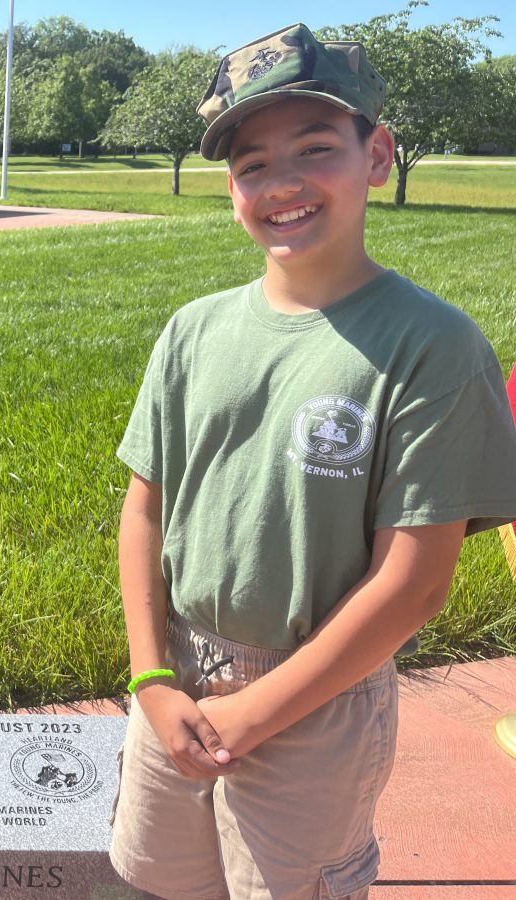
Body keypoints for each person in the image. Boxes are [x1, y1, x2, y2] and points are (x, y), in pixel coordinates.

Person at [107, 22, 516, 900]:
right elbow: (146, 510)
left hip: (318, 703)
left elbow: (413, 585)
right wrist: (149, 676)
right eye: (253, 163)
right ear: (231, 186)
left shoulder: (431, 348)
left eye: (317, 148)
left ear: (377, 156)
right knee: (156, 883)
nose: (283, 183)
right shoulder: (193, 332)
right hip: (176, 677)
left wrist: (255, 713)